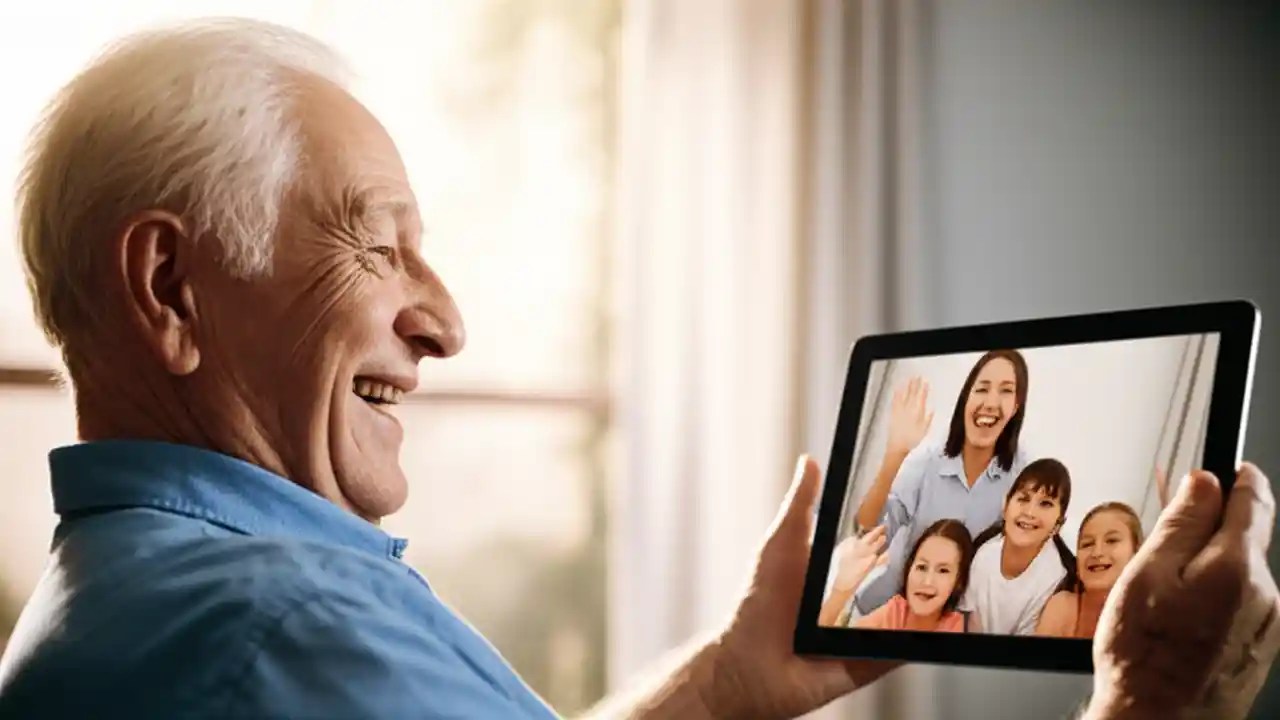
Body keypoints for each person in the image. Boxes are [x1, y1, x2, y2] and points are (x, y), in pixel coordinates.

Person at [0, 17, 1277, 720]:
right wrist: (1152, 709)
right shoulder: (283, 630)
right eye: (375, 246)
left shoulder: (126, 596)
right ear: (173, 289)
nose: (443, 322)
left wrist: (727, 677)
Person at [851, 350, 1030, 615]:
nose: (991, 402)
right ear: (965, 399)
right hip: (885, 610)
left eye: (1005, 391)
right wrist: (895, 454)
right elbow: (867, 530)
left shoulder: (1021, 477)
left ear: (1015, 407)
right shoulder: (928, 461)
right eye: (982, 388)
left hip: (950, 626)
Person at [962, 458, 1077, 635]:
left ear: (1058, 524)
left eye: (1045, 504)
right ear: (1005, 505)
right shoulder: (983, 552)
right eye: (1023, 499)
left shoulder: (1057, 580)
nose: (1029, 512)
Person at [819, 519, 973, 632]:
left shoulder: (953, 628)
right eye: (921, 567)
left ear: (958, 582)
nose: (927, 581)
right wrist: (840, 591)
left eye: (943, 570)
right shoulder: (895, 610)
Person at [1036, 502, 1143, 639]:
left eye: (1111, 541)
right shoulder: (1061, 607)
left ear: (1138, 554)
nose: (1097, 552)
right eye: (1087, 544)